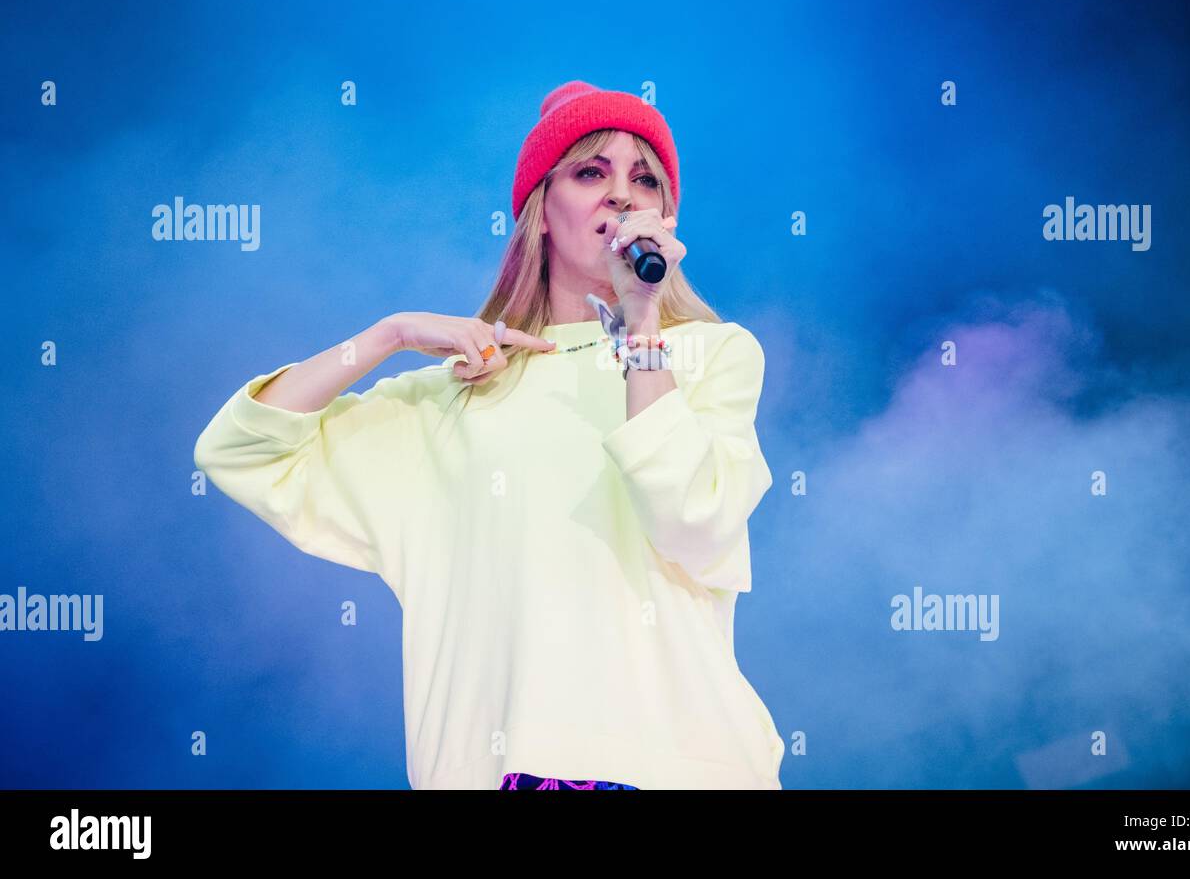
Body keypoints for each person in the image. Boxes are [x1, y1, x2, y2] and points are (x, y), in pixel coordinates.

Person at [193, 80, 784, 789]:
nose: (621, 196)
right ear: (540, 210)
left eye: (644, 180)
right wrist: (391, 334)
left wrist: (643, 327)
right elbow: (239, 448)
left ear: (666, 218)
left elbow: (694, 519)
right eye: (591, 172)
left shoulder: (710, 355)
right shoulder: (456, 395)